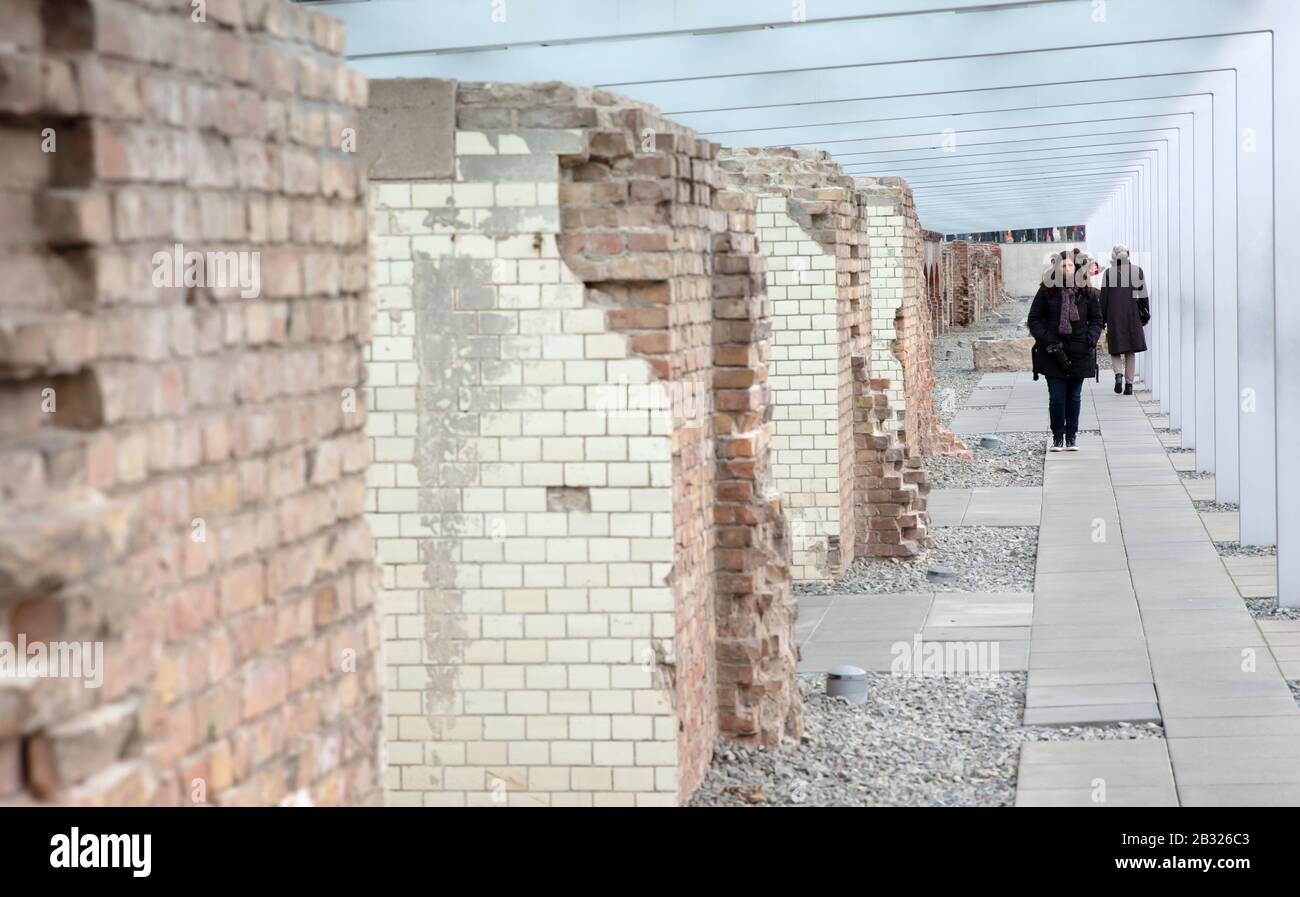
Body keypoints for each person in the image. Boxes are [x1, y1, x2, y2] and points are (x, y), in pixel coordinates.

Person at [1027, 249, 1104, 451]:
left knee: (1074, 396)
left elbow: (1097, 319)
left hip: (1080, 350)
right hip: (1053, 351)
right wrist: (1047, 339)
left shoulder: (1087, 291)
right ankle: (1057, 437)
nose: (1067, 269)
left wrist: (1091, 338)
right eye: (1063, 265)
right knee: (1057, 397)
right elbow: (1034, 319)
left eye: (1070, 265)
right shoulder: (1047, 290)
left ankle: (1071, 437)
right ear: (1057, 267)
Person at [1098, 244, 1149, 395]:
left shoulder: (1108, 273)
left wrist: (1102, 319)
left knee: (1115, 348)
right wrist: (1145, 315)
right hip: (1132, 315)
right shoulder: (1137, 271)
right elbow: (1143, 296)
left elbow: (1104, 298)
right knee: (1130, 351)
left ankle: (1118, 375)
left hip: (1114, 315)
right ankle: (1129, 384)